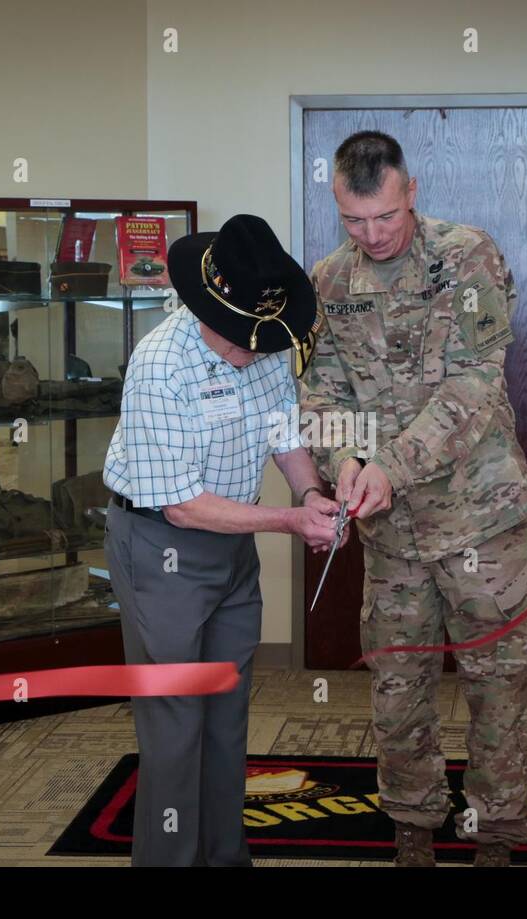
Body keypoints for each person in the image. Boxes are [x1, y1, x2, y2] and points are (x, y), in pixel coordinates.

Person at [301, 131, 527, 866]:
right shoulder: (329, 282)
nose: (371, 236)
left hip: (482, 520)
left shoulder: (468, 256)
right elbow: (320, 393)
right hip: (393, 534)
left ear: (410, 192)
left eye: (384, 217)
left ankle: (497, 833)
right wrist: (343, 459)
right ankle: (412, 825)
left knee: (496, 684)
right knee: (398, 684)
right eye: (353, 220)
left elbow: (475, 383)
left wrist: (391, 467)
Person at [103, 213, 344, 866]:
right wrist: (289, 524)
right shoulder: (161, 365)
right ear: (207, 304)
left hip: (232, 545)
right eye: (237, 338)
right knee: (176, 728)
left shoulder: (261, 343)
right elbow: (181, 507)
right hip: (162, 549)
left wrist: (311, 495)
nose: (248, 351)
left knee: (226, 719)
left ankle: (223, 859)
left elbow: (282, 435)